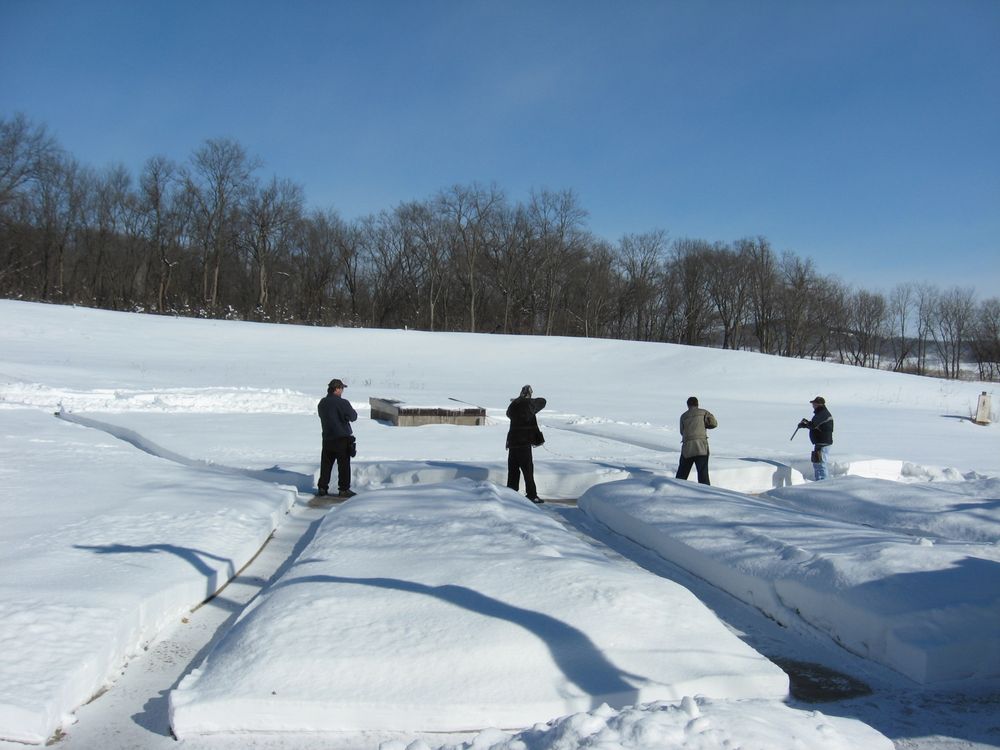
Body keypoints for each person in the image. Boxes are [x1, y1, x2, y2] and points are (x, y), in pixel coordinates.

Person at [317, 378, 358, 498]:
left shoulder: (322, 403)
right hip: (342, 438)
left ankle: (322, 488)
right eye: (342, 388)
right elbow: (353, 416)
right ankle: (344, 489)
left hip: (327, 438)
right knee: (344, 465)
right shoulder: (343, 403)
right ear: (336, 389)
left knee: (326, 465)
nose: (342, 391)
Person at [506, 385, 546, 503]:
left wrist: (518, 400)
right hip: (524, 443)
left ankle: (511, 494)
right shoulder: (529, 404)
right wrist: (526, 401)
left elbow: (508, 414)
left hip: (512, 442)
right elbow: (543, 401)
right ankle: (532, 495)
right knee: (528, 470)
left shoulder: (513, 405)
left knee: (513, 470)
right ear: (529, 394)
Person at [676, 396, 718, 485]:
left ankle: (675, 489)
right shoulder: (703, 412)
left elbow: (682, 432)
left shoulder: (683, 416)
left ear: (688, 405)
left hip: (687, 449)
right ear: (697, 404)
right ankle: (705, 494)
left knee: (681, 475)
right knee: (703, 475)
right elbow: (714, 423)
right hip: (701, 448)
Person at [799, 396, 834, 481]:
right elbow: (815, 424)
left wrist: (805, 425)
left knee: (821, 463)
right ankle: (819, 481)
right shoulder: (820, 413)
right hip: (820, 442)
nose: (813, 405)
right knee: (817, 462)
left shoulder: (823, 413)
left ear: (819, 404)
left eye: (814, 403)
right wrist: (807, 423)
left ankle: (823, 482)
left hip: (823, 442)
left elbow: (813, 425)